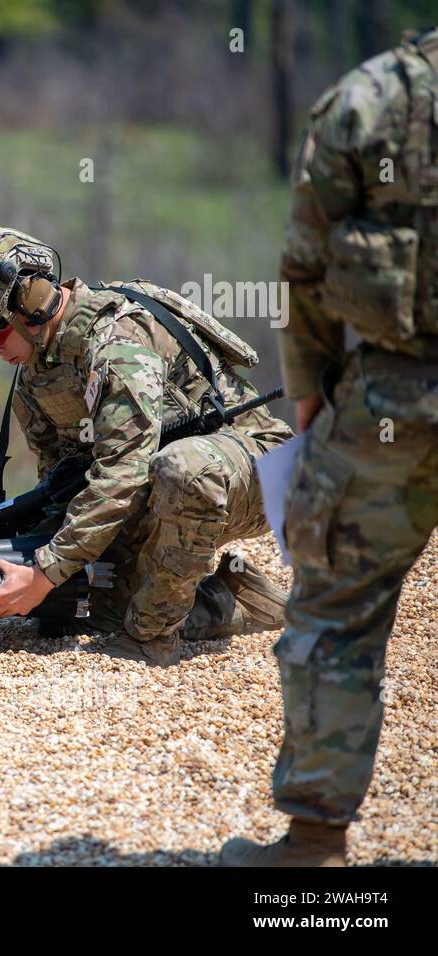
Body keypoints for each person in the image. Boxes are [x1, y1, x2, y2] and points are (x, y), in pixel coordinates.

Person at [221, 28, 438, 867]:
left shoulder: (367, 100)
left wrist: (308, 397)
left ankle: (313, 844)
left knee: (336, 615)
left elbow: (305, 268)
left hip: (392, 396)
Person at [0, 227, 294, 666]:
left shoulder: (116, 344)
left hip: (262, 469)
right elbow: (64, 488)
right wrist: (15, 552)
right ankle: (231, 599)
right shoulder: (38, 378)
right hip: (159, 481)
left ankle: (149, 641)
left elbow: (122, 475)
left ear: (29, 302)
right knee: (87, 610)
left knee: (183, 471)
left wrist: (45, 572)